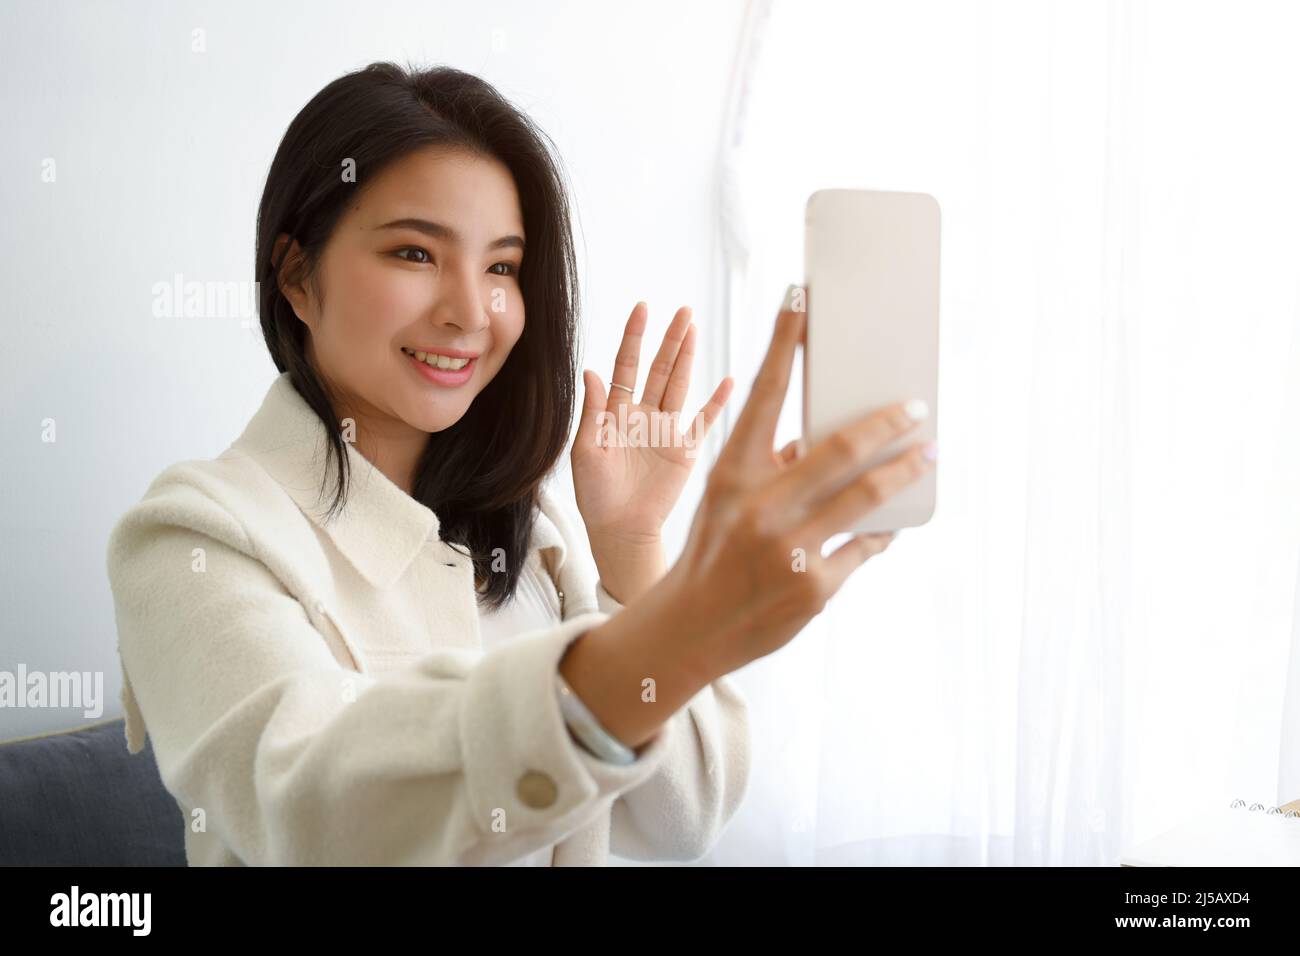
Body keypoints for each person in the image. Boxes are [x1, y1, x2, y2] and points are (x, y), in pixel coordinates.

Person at [106, 62, 933, 867]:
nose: (472, 311)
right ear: (296, 275)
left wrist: (634, 550)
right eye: (415, 254)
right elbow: (313, 815)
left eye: (501, 267)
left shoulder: (527, 527)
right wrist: (690, 617)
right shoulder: (194, 534)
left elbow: (685, 821)